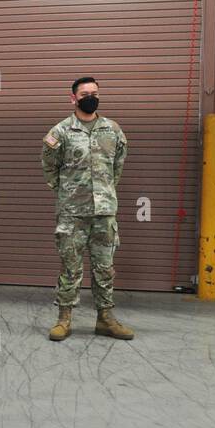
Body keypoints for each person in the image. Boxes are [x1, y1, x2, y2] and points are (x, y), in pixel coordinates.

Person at [40, 76, 134, 341]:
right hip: (72, 213)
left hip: (104, 212)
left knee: (105, 268)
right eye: (84, 93)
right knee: (70, 268)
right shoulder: (60, 132)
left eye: (94, 92)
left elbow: (117, 166)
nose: (90, 97)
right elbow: (49, 169)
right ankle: (64, 319)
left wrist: (104, 193)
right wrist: (68, 194)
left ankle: (105, 319)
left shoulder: (113, 130)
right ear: (73, 98)